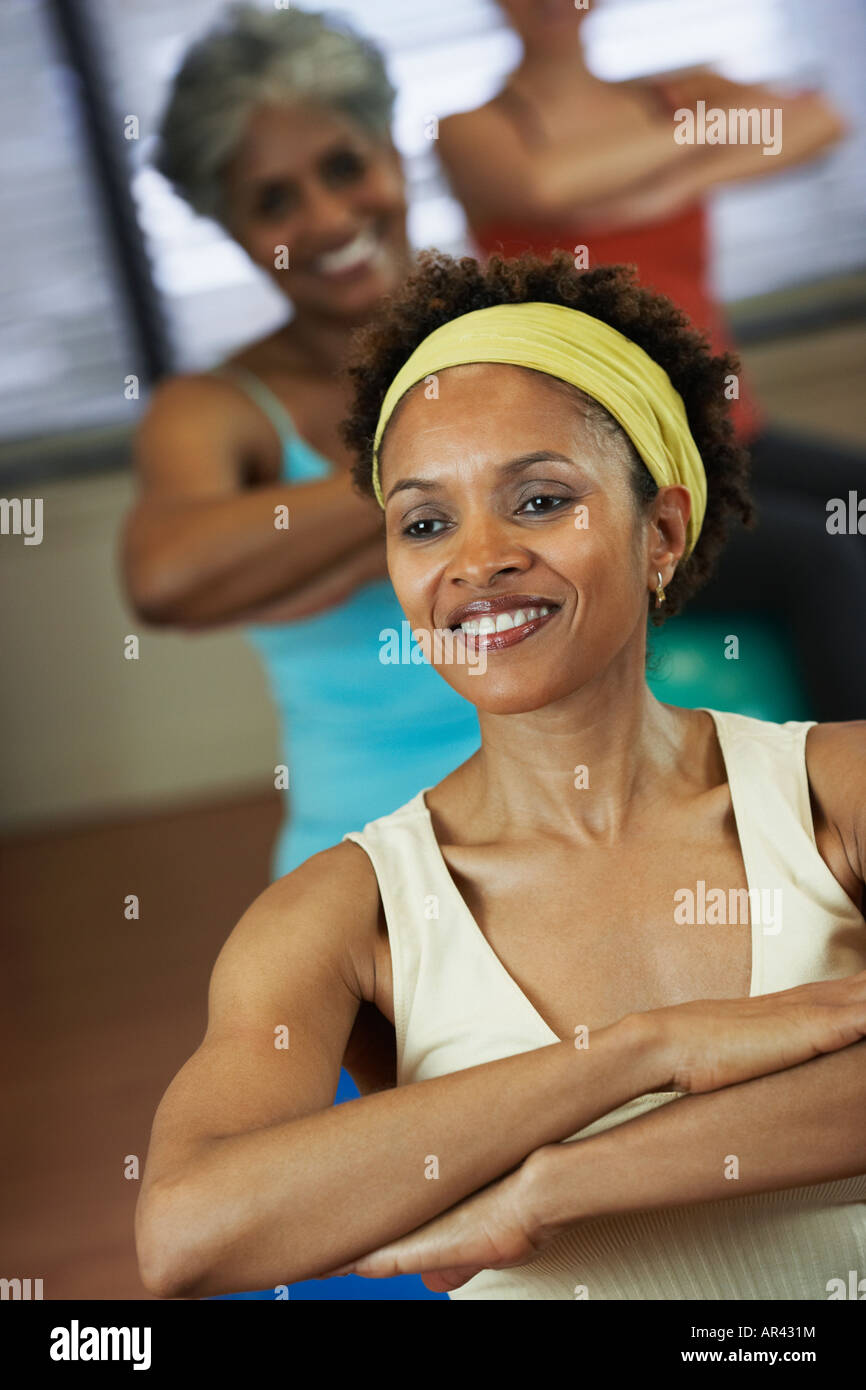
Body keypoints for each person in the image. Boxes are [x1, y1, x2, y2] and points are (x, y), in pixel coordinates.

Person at [135, 250, 866, 1302]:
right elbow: (188, 1231)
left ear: (660, 528)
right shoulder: (345, 913)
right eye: (424, 522)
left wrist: (559, 1183)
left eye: (537, 500)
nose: (475, 560)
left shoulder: (831, 791)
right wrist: (640, 1052)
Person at [120, 4, 480, 1299]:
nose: (325, 215)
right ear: (225, 226)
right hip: (365, 874)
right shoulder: (218, 408)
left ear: (393, 153)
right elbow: (165, 573)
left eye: (343, 164)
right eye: (271, 195)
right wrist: (423, 452)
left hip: (582, 815)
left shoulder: (502, 321)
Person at [435, 0, 866, 721]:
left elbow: (820, 118)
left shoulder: (677, 87)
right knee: (820, 563)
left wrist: (662, 175)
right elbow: (543, 188)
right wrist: (694, 149)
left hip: (730, 433)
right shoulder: (471, 131)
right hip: (618, 474)